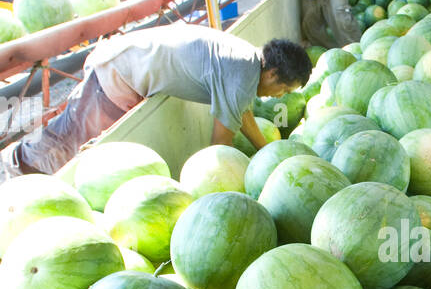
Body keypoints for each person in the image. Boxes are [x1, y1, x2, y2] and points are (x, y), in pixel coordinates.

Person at [3, 22, 310, 178]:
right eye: (284, 90)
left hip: (124, 68)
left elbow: (241, 114)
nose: (280, 97)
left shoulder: (246, 59)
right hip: (118, 74)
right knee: (66, 141)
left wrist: (269, 152)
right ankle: (14, 167)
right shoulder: (243, 75)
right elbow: (219, 147)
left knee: (70, 132)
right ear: (271, 74)